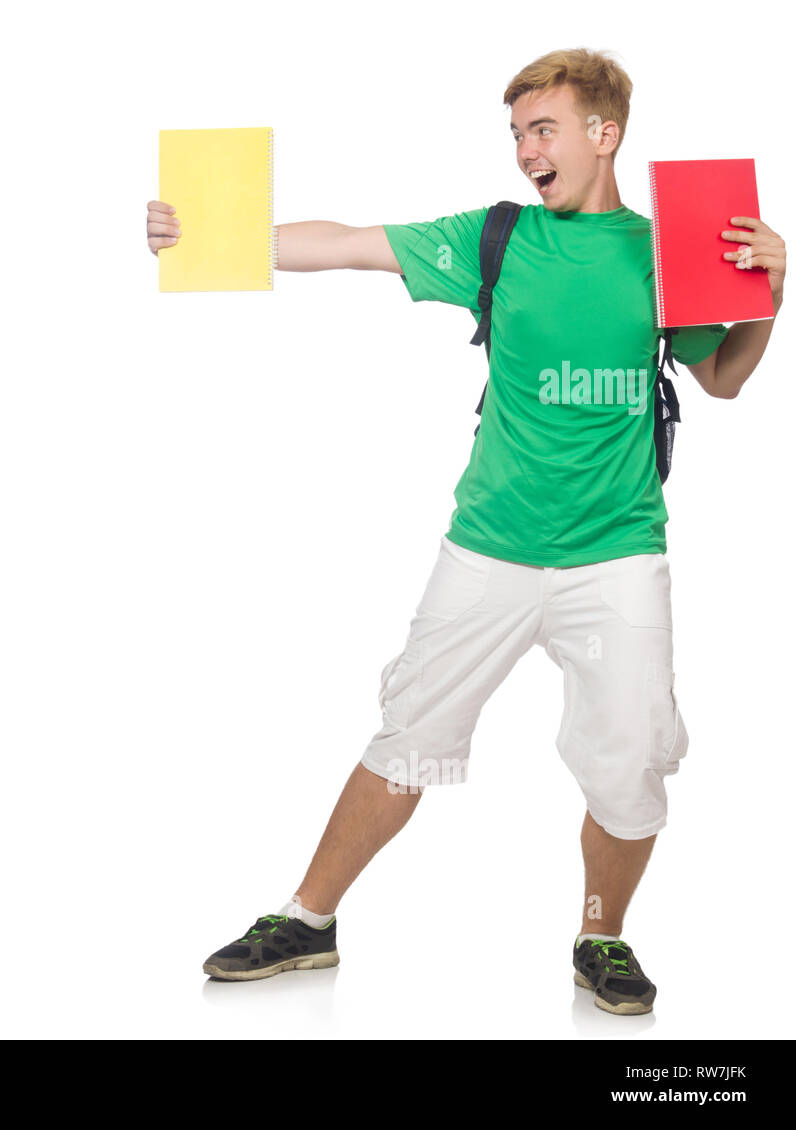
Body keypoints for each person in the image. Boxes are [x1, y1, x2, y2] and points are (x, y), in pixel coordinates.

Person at [146, 48, 784, 1014]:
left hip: (618, 556)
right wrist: (208, 233)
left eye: (544, 129)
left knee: (632, 755)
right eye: (517, 134)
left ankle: (600, 938)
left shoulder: (662, 252)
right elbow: (353, 242)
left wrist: (773, 289)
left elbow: (727, 377)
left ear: (603, 134)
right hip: (488, 548)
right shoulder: (496, 239)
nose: (526, 150)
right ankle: (309, 919)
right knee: (414, 737)